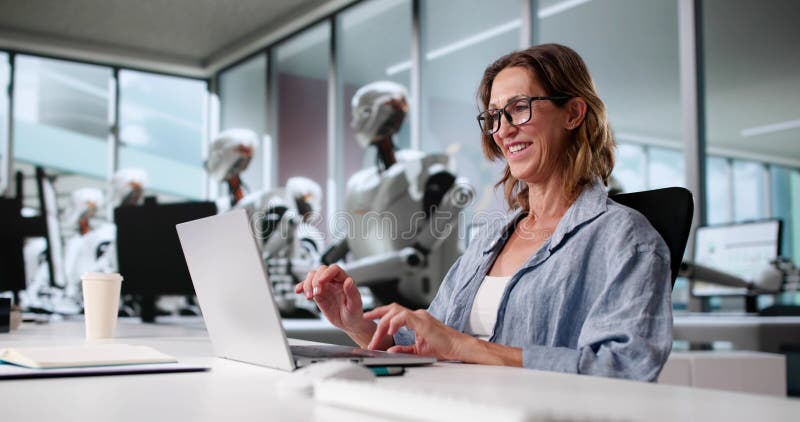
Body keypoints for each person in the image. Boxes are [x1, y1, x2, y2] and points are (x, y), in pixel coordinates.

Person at [295, 44, 672, 382]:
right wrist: (354, 322)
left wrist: (466, 348)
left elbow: (626, 369)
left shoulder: (626, 239)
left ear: (573, 113)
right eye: (494, 117)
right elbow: (426, 342)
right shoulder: (491, 240)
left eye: (519, 109)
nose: (503, 130)